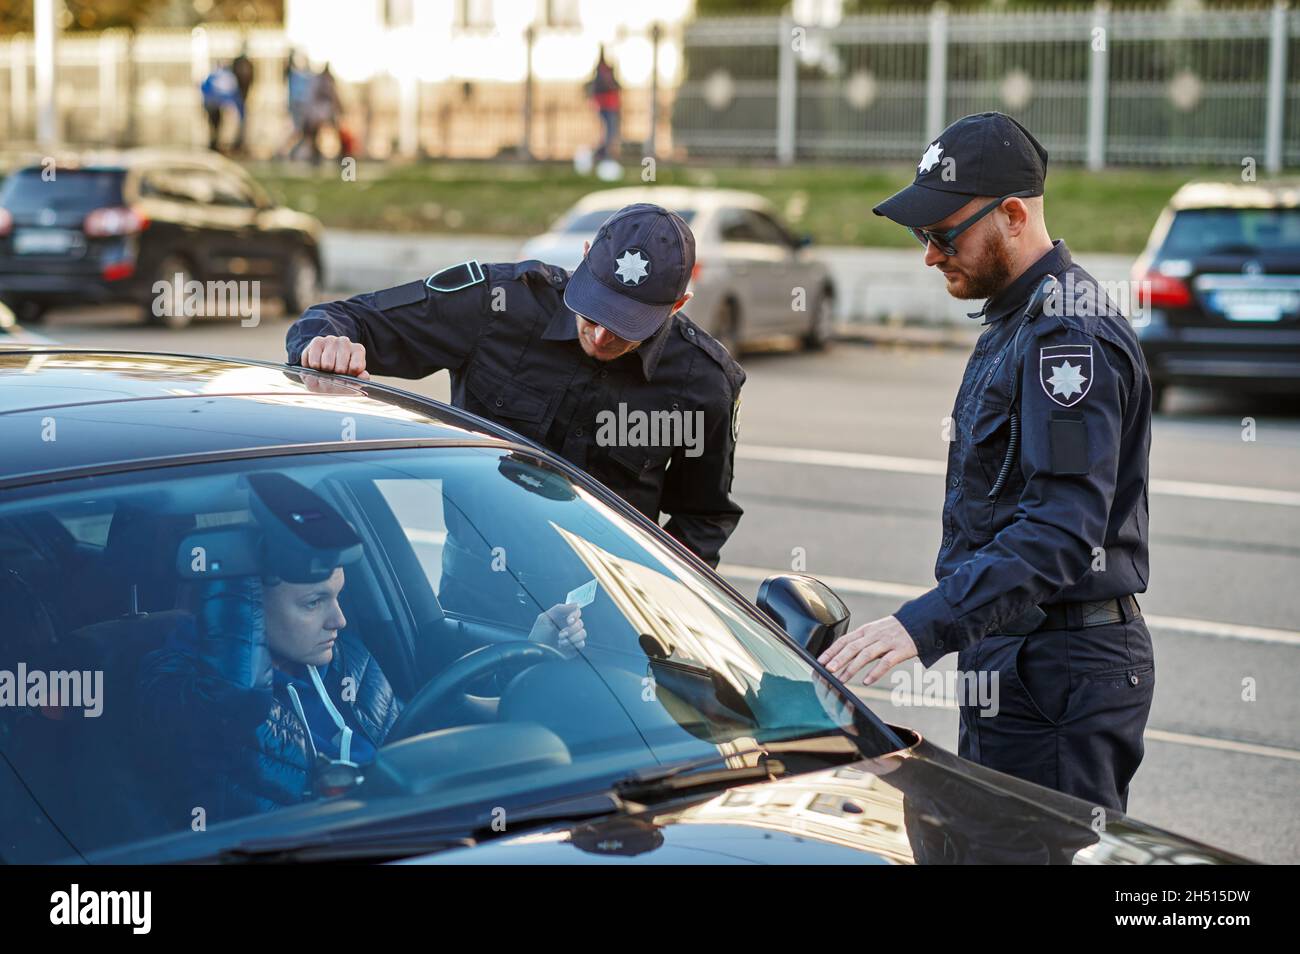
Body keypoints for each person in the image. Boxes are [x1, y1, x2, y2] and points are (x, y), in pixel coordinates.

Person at [819, 112, 1155, 815]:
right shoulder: (1019, 316)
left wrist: (923, 624)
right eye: (921, 235)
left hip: (1057, 671)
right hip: (1021, 658)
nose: (930, 256)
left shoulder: (1068, 337)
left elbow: (1063, 531)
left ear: (1011, 215)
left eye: (944, 235)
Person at [285, 203, 745, 584]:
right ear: (583, 257)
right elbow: (343, 318)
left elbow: (704, 517)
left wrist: (659, 592)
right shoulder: (498, 305)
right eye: (595, 310)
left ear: (679, 304)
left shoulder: (701, 382)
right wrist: (326, 344)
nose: (602, 335)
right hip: (479, 584)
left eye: (627, 326)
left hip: (613, 606)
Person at [137, 474, 585, 823]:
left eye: (339, 595)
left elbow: (420, 728)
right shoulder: (178, 682)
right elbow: (234, 696)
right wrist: (235, 569)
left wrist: (533, 659)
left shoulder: (345, 656)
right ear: (252, 602)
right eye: (314, 603)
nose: (340, 619)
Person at [587, 46, 621, 162]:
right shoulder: (602, 73)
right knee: (608, 133)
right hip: (606, 106)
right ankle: (601, 155)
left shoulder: (607, 72)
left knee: (609, 133)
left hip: (610, 105)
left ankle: (603, 155)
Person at [199, 63, 241, 153]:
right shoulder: (216, 77)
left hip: (221, 105)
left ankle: (222, 143)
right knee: (215, 126)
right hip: (214, 106)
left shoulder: (225, 77)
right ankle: (215, 143)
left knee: (224, 126)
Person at [231, 45, 255, 153]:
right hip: (236, 97)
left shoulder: (248, 63)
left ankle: (240, 142)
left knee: (243, 120)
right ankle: (236, 143)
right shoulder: (237, 63)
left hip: (243, 96)